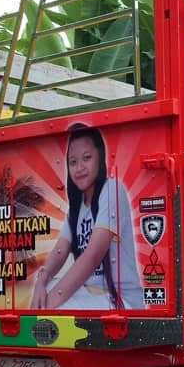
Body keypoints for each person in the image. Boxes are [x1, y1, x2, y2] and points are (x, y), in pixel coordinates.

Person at [30, 124, 144, 309]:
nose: (79, 168)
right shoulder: (77, 207)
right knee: (46, 290)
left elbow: (93, 255)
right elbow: (60, 251)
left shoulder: (112, 189)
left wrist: (52, 302)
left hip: (122, 301)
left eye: (87, 158)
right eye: (73, 162)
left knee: (53, 303)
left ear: (100, 158)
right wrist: (41, 281)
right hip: (93, 294)